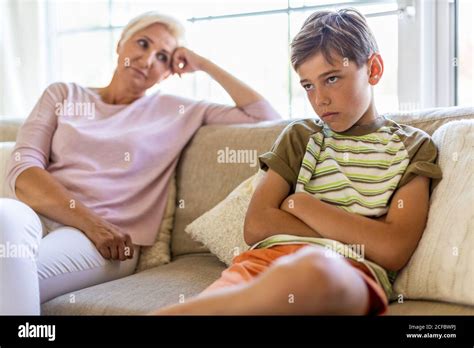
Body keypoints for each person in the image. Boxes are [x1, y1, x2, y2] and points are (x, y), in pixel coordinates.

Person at [153, 8, 442, 316]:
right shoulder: (300, 136)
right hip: (261, 264)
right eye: (308, 85)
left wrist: (303, 205)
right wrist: (361, 234)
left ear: (373, 69)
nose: (320, 99)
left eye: (332, 78)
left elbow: (392, 249)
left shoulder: (413, 147)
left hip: (348, 272)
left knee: (312, 269)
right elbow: (257, 225)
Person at [0, 11, 280, 315]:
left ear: (170, 72)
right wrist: (89, 222)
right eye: (142, 44)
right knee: (4, 215)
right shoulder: (63, 94)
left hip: (105, 243)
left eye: (163, 57)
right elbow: (23, 168)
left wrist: (202, 64)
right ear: (120, 44)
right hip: (39, 217)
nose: (148, 61)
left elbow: (264, 117)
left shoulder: (176, 111)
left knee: (9, 272)